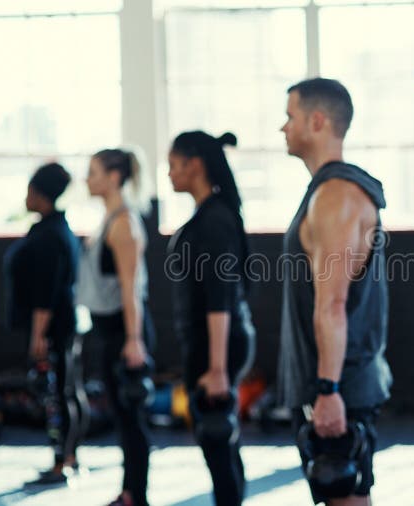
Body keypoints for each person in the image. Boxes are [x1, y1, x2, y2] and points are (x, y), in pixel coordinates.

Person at [277, 77, 392, 506]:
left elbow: (333, 305)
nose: (283, 127)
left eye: (290, 117)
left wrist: (328, 390)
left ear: (317, 121)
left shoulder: (336, 196)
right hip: (327, 386)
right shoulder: (324, 192)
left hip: (338, 388)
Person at [165, 130, 256, 506]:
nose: (169, 174)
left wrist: (217, 368)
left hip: (218, 346)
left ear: (195, 165)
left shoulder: (215, 220)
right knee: (219, 443)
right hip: (211, 343)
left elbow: (220, 296)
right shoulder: (209, 215)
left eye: (173, 165)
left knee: (216, 441)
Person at [77, 148, 156, 506]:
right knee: (123, 418)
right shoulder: (109, 218)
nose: (87, 179)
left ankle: (135, 496)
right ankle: (129, 492)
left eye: (93, 172)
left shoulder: (124, 223)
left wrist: (134, 340)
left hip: (126, 334)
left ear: (113, 177)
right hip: (110, 330)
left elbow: (131, 289)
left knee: (131, 418)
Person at [3, 162, 87, 486]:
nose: (26, 197)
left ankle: (60, 464)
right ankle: (69, 458)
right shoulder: (54, 228)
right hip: (64, 324)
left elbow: (46, 291)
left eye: (29, 191)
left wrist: (38, 334)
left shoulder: (51, 235)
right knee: (68, 390)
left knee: (58, 395)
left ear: (39, 194)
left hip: (54, 327)